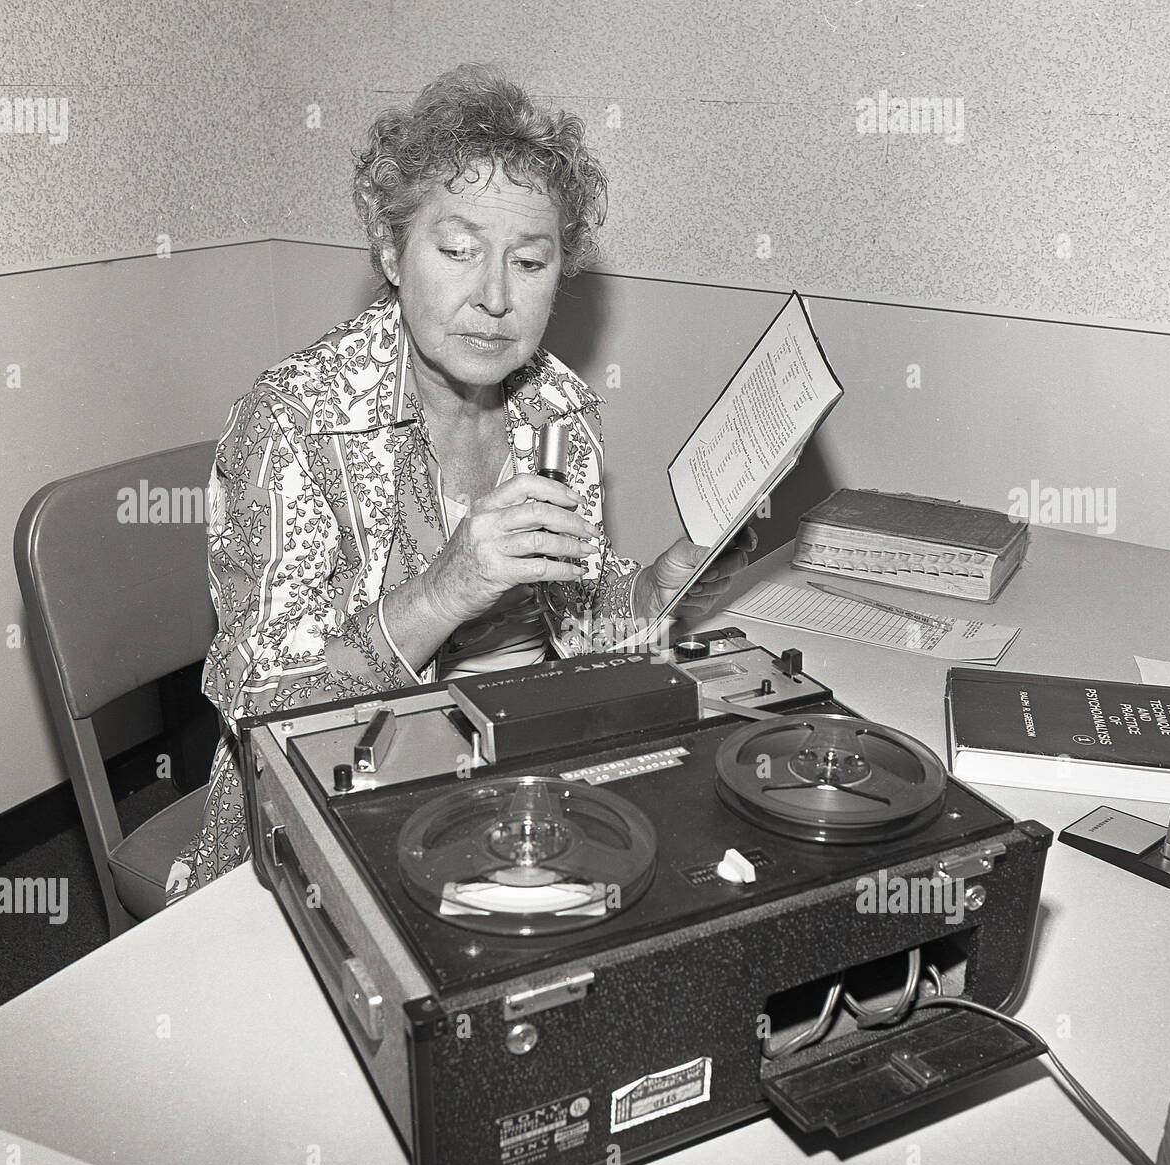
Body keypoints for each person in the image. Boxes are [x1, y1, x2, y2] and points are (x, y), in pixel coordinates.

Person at [168, 65, 752, 898]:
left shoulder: (556, 409)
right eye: (457, 250)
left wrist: (661, 586)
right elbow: (263, 713)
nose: (493, 297)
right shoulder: (295, 424)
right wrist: (446, 589)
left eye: (529, 261)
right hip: (328, 823)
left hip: (520, 782)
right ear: (390, 251)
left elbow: (582, 639)